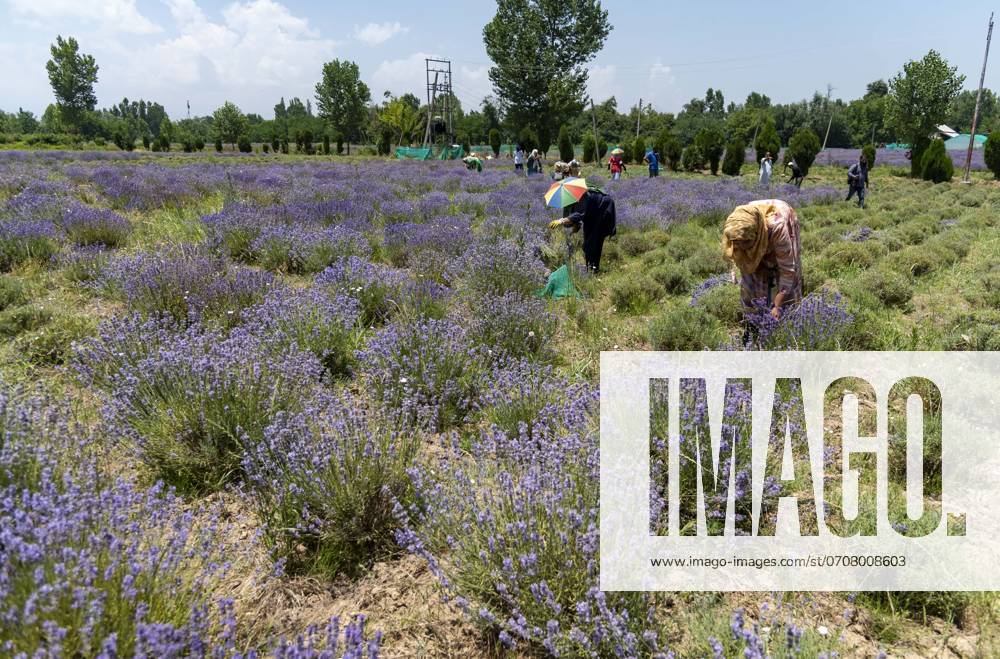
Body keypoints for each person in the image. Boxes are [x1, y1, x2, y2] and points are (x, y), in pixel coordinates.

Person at [722, 199, 802, 325]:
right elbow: (739, 258)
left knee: (786, 277)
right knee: (752, 272)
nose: (743, 248)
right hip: (755, 225)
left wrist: (777, 305)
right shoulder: (737, 227)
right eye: (738, 243)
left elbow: (787, 270)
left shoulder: (778, 227)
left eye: (747, 243)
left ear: (757, 234)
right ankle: (752, 319)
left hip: (782, 219)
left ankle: (790, 319)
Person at [548, 184, 617, 273]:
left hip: (603, 208)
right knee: (589, 240)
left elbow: (579, 213)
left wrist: (561, 221)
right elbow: (570, 217)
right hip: (592, 212)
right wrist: (574, 224)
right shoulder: (568, 201)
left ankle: (593, 269)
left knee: (594, 239)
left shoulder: (583, 195)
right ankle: (591, 268)